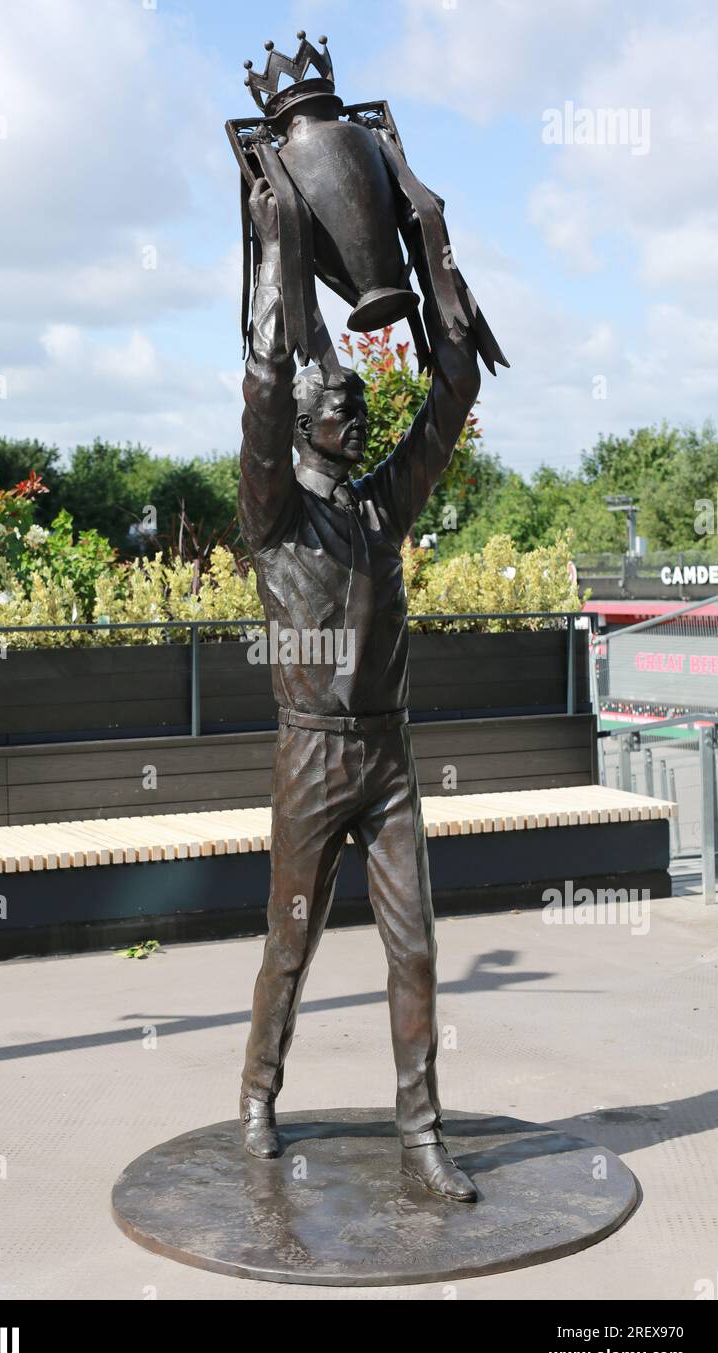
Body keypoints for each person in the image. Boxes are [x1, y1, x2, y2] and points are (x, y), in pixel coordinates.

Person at [237, 176, 482, 1201]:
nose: (349, 398)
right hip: (308, 753)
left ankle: (419, 1132)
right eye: (329, 393)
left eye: (354, 394)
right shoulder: (273, 512)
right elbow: (258, 382)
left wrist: (433, 256)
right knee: (289, 942)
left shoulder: (382, 506)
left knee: (413, 944)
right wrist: (274, 252)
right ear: (297, 417)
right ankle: (256, 1091)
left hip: (385, 754)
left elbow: (454, 391)